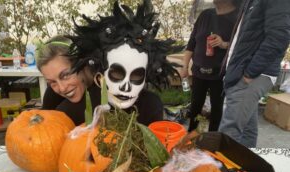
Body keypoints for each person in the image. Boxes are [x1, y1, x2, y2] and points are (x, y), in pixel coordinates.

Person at [38, 0, 182, 126]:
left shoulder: (115, 84)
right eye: (52, 82)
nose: (61, 88)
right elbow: (45, 132)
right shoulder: (55, 98)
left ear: (81, 62)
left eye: (65, 75)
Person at [218, 0, 290, 147]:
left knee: (229, 130)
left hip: (253, 75)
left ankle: (220, 169)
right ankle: (247, 164)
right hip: (243, 72)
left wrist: (249, 73)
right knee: (248, 129)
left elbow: (279, 37)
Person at [180, 0, 240, 132]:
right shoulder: (205, 15)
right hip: (199, 71)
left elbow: (241, 47)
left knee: (217, 108)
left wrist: (224, 44)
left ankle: (212, 139)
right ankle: (191, 135)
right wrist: (184, 66)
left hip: (220, 73)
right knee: (195, 106)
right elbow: (191, 43)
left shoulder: (238, 17)